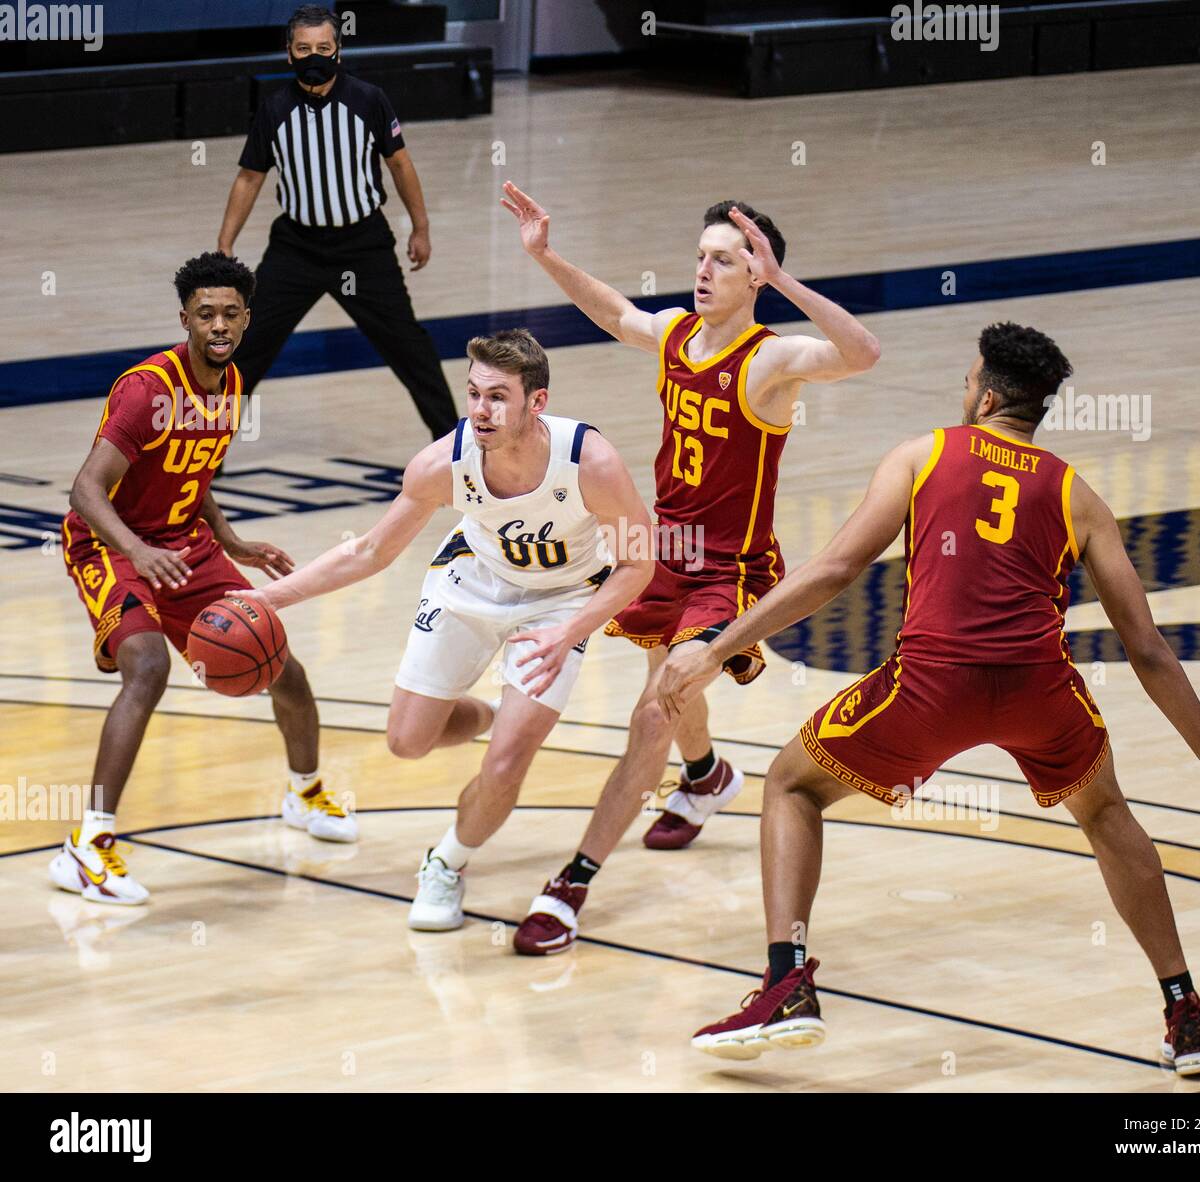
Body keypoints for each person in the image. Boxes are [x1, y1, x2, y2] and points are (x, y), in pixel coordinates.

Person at [659, 322, 1200, 1077]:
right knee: (1108, 815)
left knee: (791, 786)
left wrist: (719, 646)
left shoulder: (926, 452)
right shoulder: (1079, 495)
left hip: (933, 686)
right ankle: (1187, 1013)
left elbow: (838, 567)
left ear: (983, 394)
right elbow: (1146, 648)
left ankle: (786, 982)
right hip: (1040, 689)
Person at [500, 182, 881, 955]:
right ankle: (705, 777)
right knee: (669, 692)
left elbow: (862, 353)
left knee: (654, 706)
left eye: (723, 260)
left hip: (730, 569)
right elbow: (615, 313)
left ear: (754, 275)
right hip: (660, 551)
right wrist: (547, 256)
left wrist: (786, 282)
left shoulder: (771, 359)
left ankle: (571, 886)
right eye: (699, 255)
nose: (702, 270)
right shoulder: (677, 333)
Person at [245, 329, 654, 931]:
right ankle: (491, 713)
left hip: (560, 605)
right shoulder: (444, 463)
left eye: (498, 397)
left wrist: (573, 631)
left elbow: (638, 563)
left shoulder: (590, 462)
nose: (481, 411)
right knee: (408, 741)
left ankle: (446, 863)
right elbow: (368, 552)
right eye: (474, 394)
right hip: (471, 582)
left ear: (535, 402)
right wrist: (266, 599)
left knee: (507, 762)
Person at [54, 252, 354, 907]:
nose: (218, 323)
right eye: (205, 313)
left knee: (284, 667)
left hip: (184, 546)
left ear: (247, 318)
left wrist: (234, 541)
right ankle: (88, 845)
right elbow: (85, 489)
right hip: (112, 544)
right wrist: (136, 548)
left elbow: (195, 475)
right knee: (148, 667)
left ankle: (305, 794)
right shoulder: (147, 388)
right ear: (185, 318)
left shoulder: (233, 382)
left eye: (230, 312)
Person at [216, 4, 457, 437]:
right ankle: (204, 456)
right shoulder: (273, 110)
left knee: (409, 348)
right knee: (245, 350)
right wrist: (225, 244)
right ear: (289, 54)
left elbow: (400, 164)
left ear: (338, 51)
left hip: (363, 248)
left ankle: (455, 448)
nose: (314, 57)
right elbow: (250, 177)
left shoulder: (368, 100)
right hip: (296, 248)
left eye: (323, 48)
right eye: (303, 48)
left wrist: (421, 228)